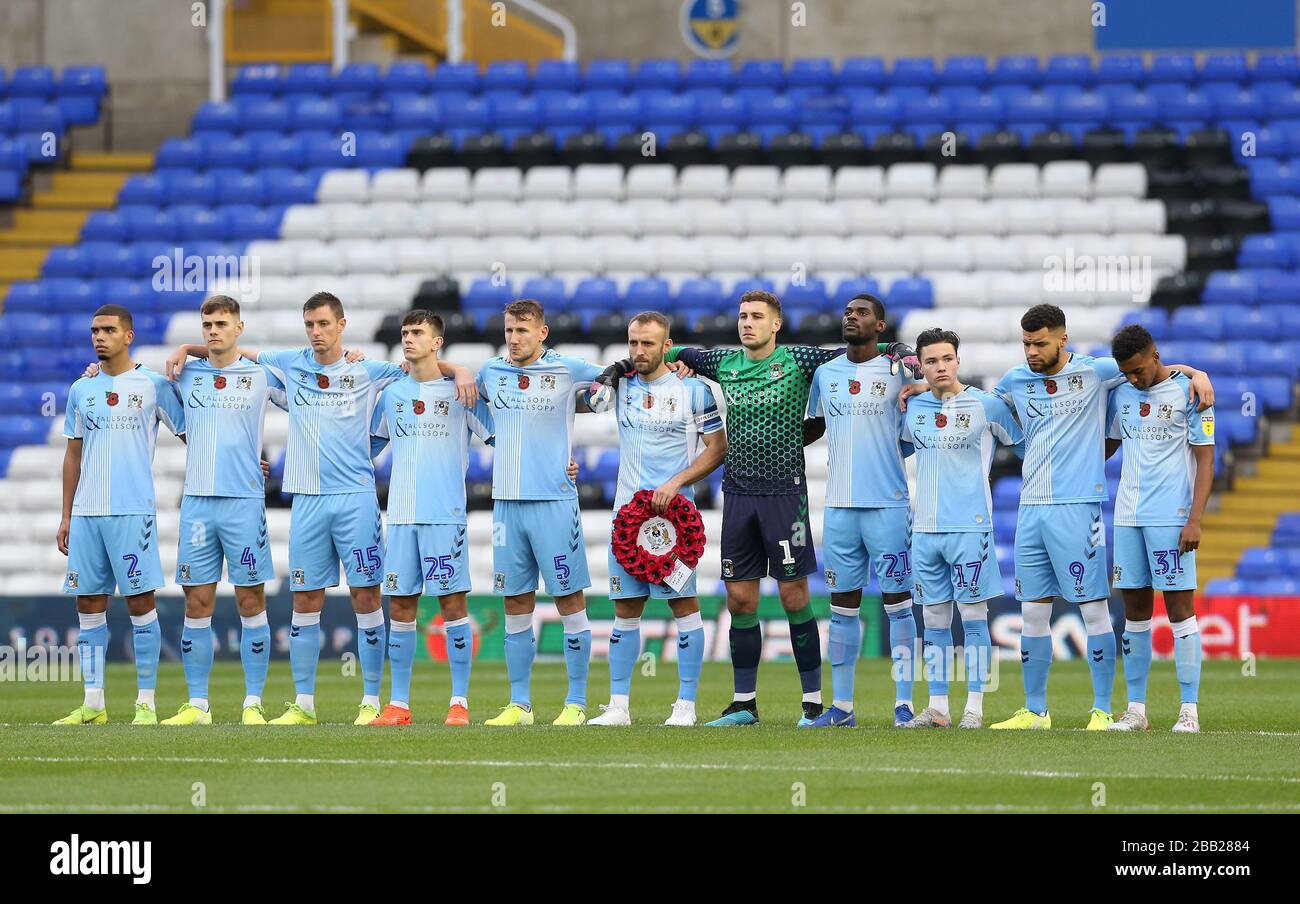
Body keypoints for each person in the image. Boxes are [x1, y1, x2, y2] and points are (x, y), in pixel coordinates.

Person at [584, 312, 726, 727]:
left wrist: (676, 481)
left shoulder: (694, 391)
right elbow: (581, 396)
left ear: (668, 346)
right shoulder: (620, 386)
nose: (639, 351)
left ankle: (686, 705)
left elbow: (717, 448)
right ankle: (618, 707)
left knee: (684, 606)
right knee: (625, 609)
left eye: (648, 343)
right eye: (633, 343)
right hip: (626, 519)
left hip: (674, 522)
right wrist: (611, 372)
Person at [54, 305, 186, 725]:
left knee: (140, 601)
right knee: (89, 604)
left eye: (108, 330)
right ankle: (94, 704)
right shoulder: (81, 388)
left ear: (128, 336)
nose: (99, 336)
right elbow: (72, 454)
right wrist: (66, 515)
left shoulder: (153, 385)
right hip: (88, 513)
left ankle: (145, 702)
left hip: (132, 512)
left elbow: (192, 436)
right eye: (94, 330)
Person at [367, 310, 493, 727]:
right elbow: (369, 447)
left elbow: (504, 437)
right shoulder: (392, 394)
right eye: (405, 333)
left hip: (445, 515)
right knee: (400, 605)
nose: (408, 339)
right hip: (401, 516)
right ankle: (399, 705)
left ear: (437, 341)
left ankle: (459, 703)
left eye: (417, 333)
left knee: (452, 604)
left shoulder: (463, 392)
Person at [802, 295, 921, 728]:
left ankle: (904, 705)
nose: (851, 317)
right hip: (839, 508)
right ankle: (843, 708)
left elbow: (914, 427)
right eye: (848, 312)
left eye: (862, 313)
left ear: (881, 326)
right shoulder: (825, 373)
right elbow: (813, 425)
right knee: (842, 607)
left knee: (899, 604)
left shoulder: (898, 371)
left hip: (888, 504)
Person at [899, 328, 1022, 729]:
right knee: (933, 622)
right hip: (925, 530)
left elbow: (1024, 447)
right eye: (931, 361)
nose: (940, 367)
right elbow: (898, 449)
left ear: (957, 360)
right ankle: (938, 708)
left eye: (946, 358)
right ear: (921, 365)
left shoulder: (985, 405)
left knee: (973, 620)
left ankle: (974, 708)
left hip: (970, 529)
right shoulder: (913, 408)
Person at [1105, 325, 1214, 733]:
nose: (1135, 379)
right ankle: (1136, 710)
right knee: (1134, 613)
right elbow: (1108, 447)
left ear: (1155, 355)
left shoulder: (1191, 391)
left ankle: (1189, 710)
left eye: (1138, 370)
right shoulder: (1122, 393)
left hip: (1172, 517)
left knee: (1180, 612)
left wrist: (1195, 519)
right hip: (1127, 516)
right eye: (1127, 373)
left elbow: (1205, 461)